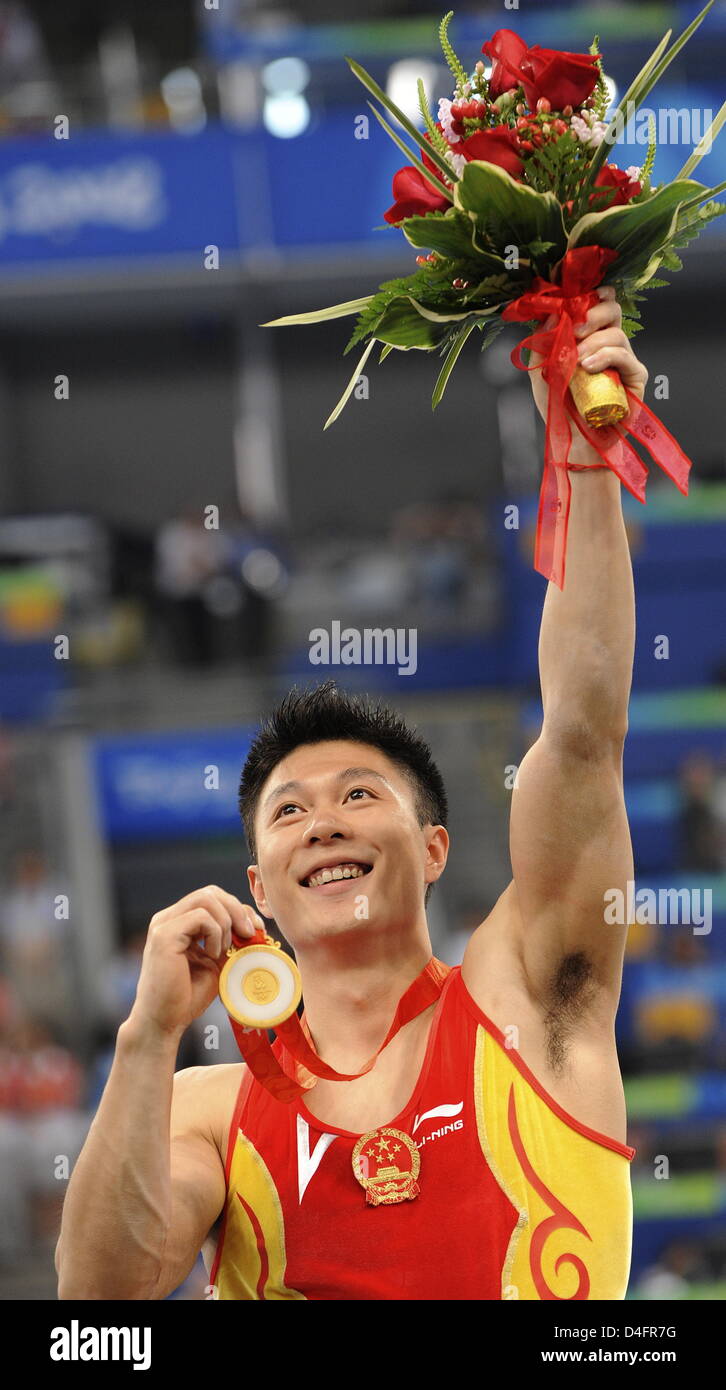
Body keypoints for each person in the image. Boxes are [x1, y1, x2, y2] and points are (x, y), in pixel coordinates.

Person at [56, 287, 645, 1301]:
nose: (323, 819)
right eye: (289, 811)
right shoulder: (208, 1105)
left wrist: (588, 453)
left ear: (434, 848)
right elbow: (98, 1308)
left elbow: (583, 731)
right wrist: (144, 1037)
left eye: (360, 794)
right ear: (260, 887)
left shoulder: (527, 999)